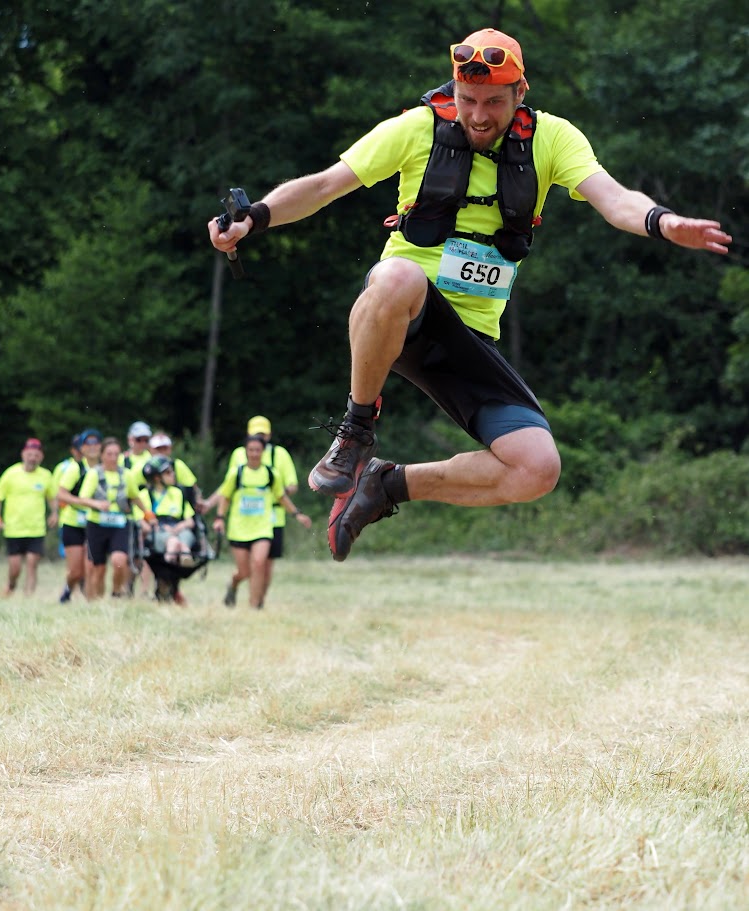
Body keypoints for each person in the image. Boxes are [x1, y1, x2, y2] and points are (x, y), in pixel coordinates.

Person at [208, 26, 732, 563]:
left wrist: (661, 222)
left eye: (494, 103)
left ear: (520, 94)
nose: (479, 115)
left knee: (537, 469)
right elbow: (323, 185)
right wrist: (255, 218)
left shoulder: (554, 139)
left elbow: (615, 199)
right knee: (398, 276)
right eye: (467, 100)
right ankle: (357, 428)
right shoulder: (415, 129)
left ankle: (385, 486)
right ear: (453, 90)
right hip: (401, 312)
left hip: (471, 338)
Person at [212, 435, 311, 609]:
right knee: (245, 572)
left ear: (263, 452)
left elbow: (281, 497)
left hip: (263, 527)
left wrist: (297, 514)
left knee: (259, 564)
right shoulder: (237, 473)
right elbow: (225, 497)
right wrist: (220, 518)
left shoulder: (271, 474)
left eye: (258, 450)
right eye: (251, 450)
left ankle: (255, 606)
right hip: (239, 528)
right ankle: (234, 584)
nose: (254, 454)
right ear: (246, 451)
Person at [69, 437, 156, 599]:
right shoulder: (94, 474)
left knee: (119, 561)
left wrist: (148, 514)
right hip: (97, 524)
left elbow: (135, 497)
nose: (113, 458)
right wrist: (97, 504)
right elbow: (83, 498)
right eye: (109, 454)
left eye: (116, 454)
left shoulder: (127, 475)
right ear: (102, 456)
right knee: (98, 568)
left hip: (120, 523)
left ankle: (116, 591)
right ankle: (98, 599)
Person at [0, 439, 58, 596]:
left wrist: (55, 513)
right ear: (23, 454)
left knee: (32, 563)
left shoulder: (45, 475)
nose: (32, 458)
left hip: (36, 528)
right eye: (29, 454)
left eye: (36, 455)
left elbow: (52, 497)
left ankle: (29, 597)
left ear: (41, 456)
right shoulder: (11, 474)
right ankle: (12, 585)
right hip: (13, 529)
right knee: (15, 567)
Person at [138, 455, 197, 606]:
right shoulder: (145, 495)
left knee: (183, 538)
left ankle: (179, 554)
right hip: (158, 531)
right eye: (168, 472)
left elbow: (190, 519)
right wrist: (153, 528)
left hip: (179, 528)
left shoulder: (178, 493)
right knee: (172, 541)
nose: (173, 475)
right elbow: (139, 519)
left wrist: (179, 527)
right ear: (157, 478)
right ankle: (177, 556)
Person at [55, 428, 103, 603]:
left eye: (96, 442)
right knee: (76, 571)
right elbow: (61, 494)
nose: (92, 447)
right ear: (81, 448)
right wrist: (86, 502)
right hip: (73, 522)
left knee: (92, 566)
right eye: (87, 443)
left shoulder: (106, 469)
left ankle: (91, 603)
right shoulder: (75, 469)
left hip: (96, 523)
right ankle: (68, 589)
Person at [51, 432, 83, 559]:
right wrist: (56, 511)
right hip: (68, 518)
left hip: (90, 519)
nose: (81, 451)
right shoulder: (63, 467)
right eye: (78, 448)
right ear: (72, 450)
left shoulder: (94, 466)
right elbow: (55, 492)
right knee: (71, 557)